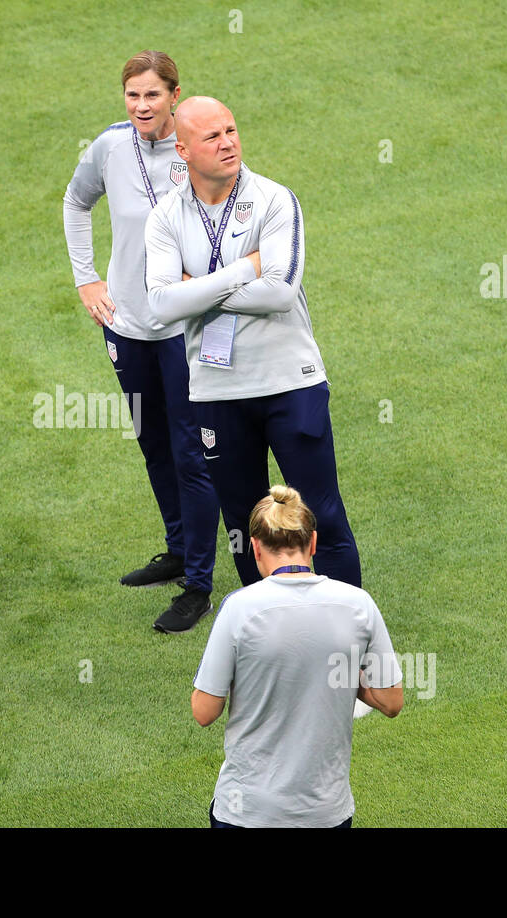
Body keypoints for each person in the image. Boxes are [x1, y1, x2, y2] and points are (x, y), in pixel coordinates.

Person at [145, 95, 363, 589]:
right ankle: (266, 634)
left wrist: (194, 288)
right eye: (212, 136)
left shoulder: (275, 199)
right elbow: (159, 306)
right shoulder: (165, 218)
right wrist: (245, 267)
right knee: (244, 526)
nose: (228, 143)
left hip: (291, 383)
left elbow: (280, 291)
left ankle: (352, 636)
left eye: (231, 130)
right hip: (218, 393)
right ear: (183, 150)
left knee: (319, 513)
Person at [63, 51, 220, 633]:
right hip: (126, 325)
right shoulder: (108, 147)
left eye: (152, 95)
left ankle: (199, 585)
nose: (141, 106)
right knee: (153, 442)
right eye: (132, 95)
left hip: (184, 330)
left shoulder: (198, 147)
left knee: (191, 452)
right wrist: (87, 277)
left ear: (175, 95)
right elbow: (76, 202)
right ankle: (178, 550)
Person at [191, 486, 402, 828]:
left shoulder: (239, 609)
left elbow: (204, 711)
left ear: (256, 548)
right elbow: (391, 701)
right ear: (313, 543)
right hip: (326, 813)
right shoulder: (359, 605)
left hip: (248, 812)